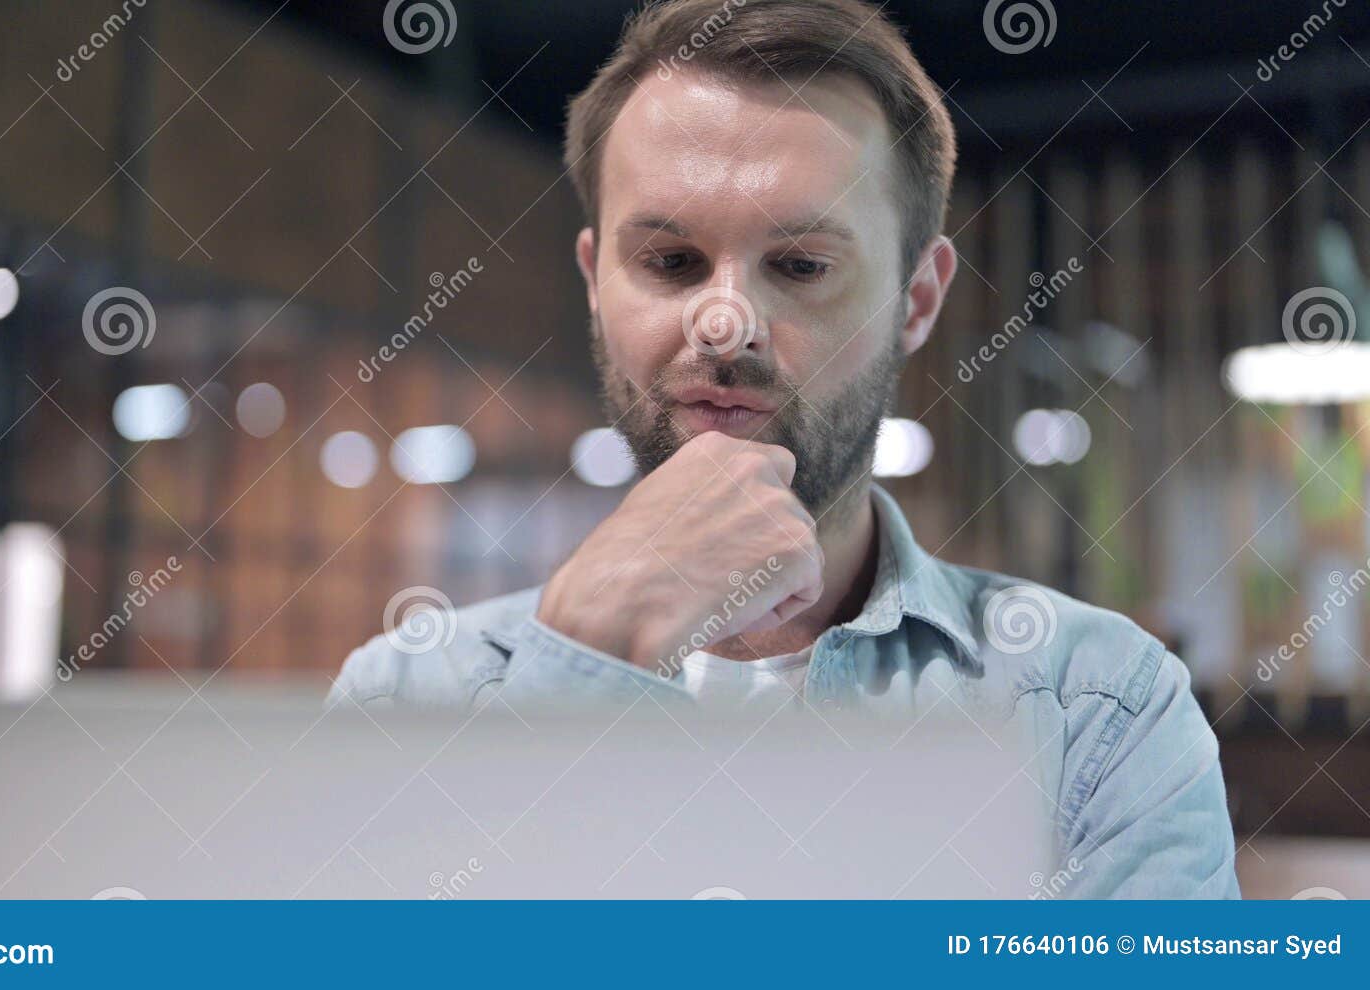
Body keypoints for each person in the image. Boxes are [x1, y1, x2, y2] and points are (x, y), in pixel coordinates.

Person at [331, 0, 1239, 898]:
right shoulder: (409, 697)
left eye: (801, 266)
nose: (725, 325)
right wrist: (582, 661)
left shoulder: (1097, 711)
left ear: (917, 301)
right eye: (670, 262)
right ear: (595, 286)